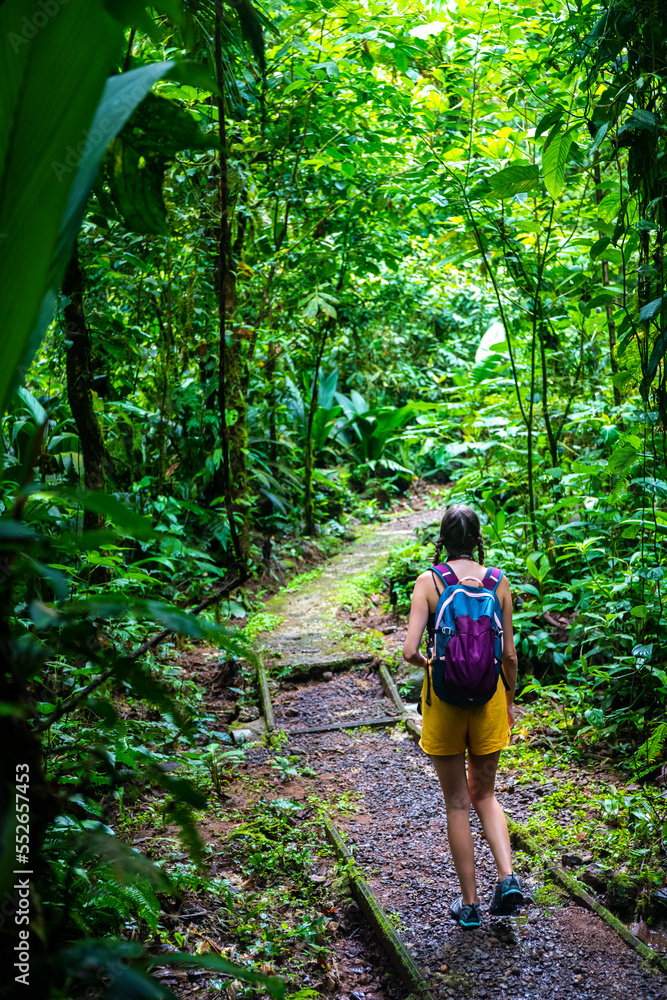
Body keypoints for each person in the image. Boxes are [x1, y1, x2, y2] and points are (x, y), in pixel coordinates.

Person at [402, 504, 522, 929]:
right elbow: (508, 655)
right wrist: (508, 701)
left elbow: (409, 651)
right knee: (485, 795)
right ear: (477, 539)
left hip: (444, 702)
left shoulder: (428, 582)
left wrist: (432, 663)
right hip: (489, 699)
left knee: (457, 802)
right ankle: (508, 877)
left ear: (444, 538)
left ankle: (469, 905)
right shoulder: (499, 581)